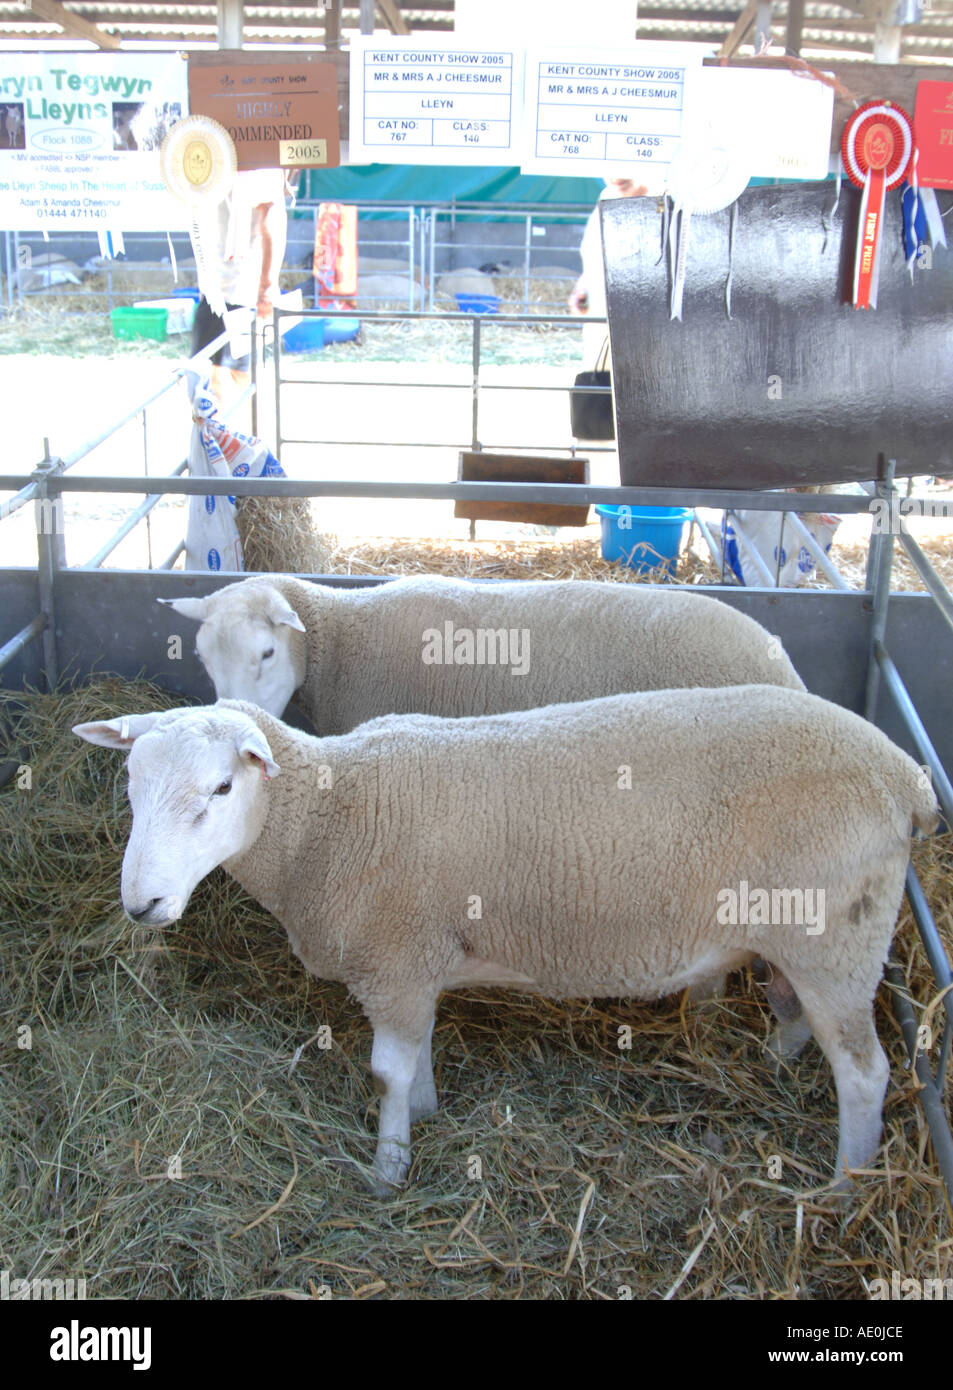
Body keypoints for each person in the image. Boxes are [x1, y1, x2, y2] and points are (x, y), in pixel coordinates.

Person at [190, 166, 290, 412]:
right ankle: (221, 441)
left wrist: (267, 285)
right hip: (216, 291)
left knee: (233, 380)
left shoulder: (262, 164)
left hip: (241, 291)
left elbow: (272, 221)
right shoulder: (210, 155)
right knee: (204, 381)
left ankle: (232, 442)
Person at [569, 175, 648, 367]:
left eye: (625, 165)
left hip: (642, 337)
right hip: (600, 332)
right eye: (609, 168)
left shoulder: (663, 201)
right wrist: (581, 291)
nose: (616, 176)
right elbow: (593, 260)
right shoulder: (606, 198)